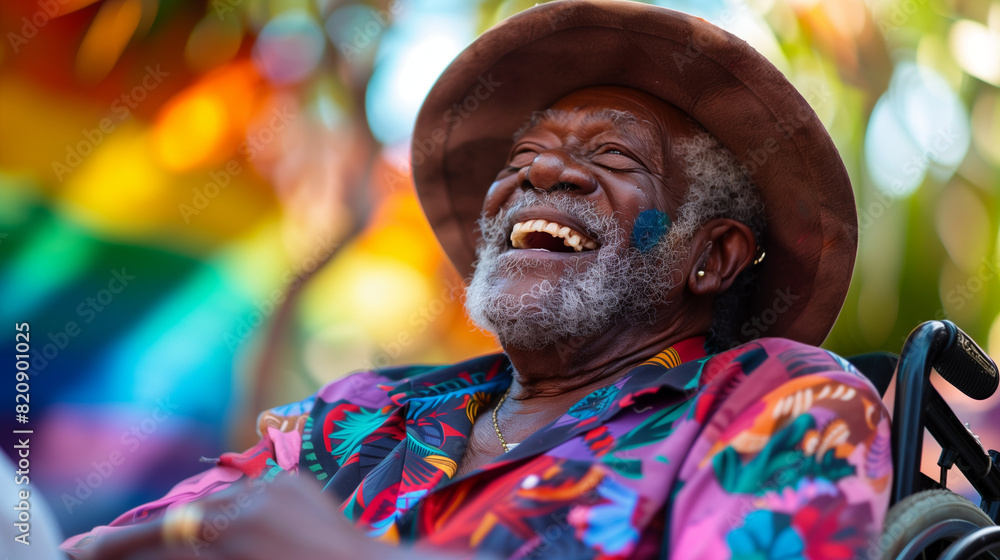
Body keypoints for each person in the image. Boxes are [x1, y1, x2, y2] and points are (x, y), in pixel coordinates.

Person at [63, 1, 892, 558]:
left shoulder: (781, 399)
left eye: (610, 158)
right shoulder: (359, 415)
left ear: (709, 257)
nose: (543, 178)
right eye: (524, 159)